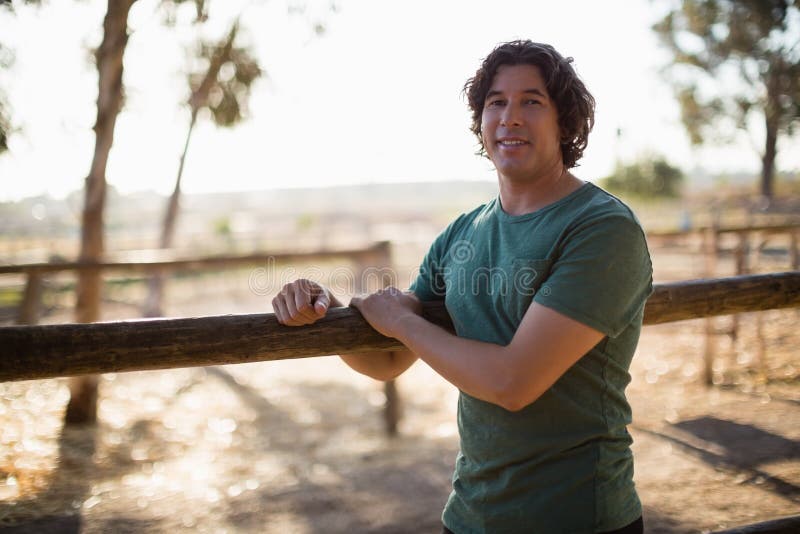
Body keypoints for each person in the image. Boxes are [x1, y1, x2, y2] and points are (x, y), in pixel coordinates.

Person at [272, 40, 652, 534]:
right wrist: (327, 312)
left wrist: (402, 321)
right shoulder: (462, 234)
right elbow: (388, 359)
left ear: (565, 121)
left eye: (531, 101)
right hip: (471, 516)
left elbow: (512, 383)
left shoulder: (602, 229)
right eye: (496, 102)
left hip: (578, 515)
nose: (510, 117)